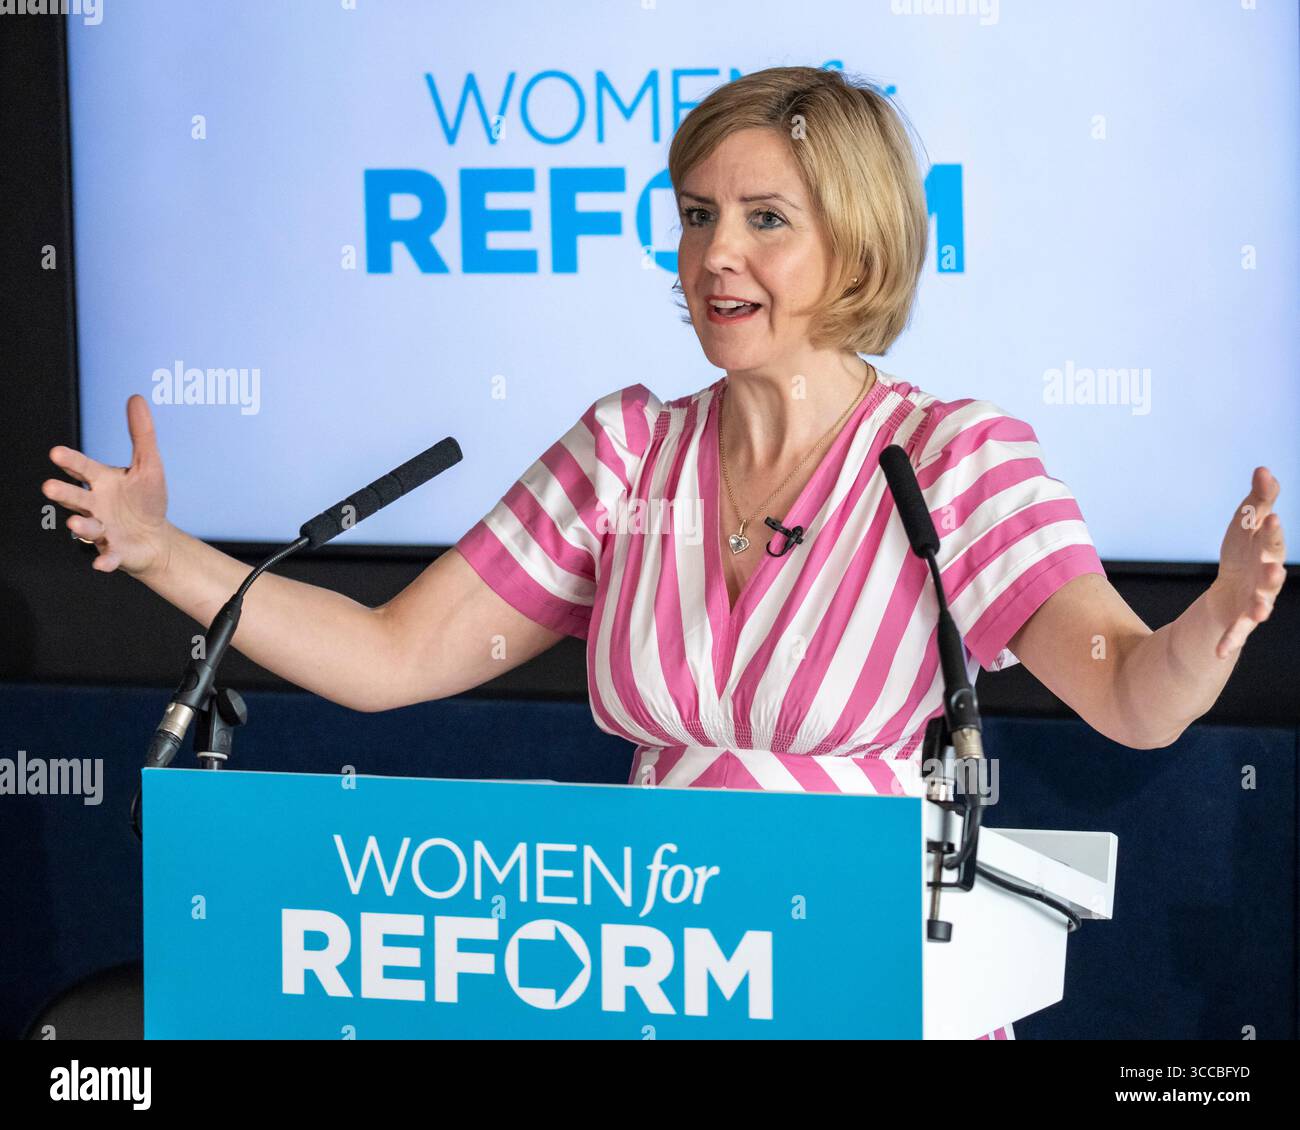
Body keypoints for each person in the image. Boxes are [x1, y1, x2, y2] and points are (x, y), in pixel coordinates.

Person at [43, 67, 1286, 1040]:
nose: (712, 255)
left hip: (870, 998)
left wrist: (1213, 622)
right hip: (653, 991)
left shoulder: (952, 461)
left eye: (762, 219)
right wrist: (164, 553)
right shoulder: (626, 451)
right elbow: (386, 656)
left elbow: (1129, 691)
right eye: (696, 216)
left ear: (853, 244)